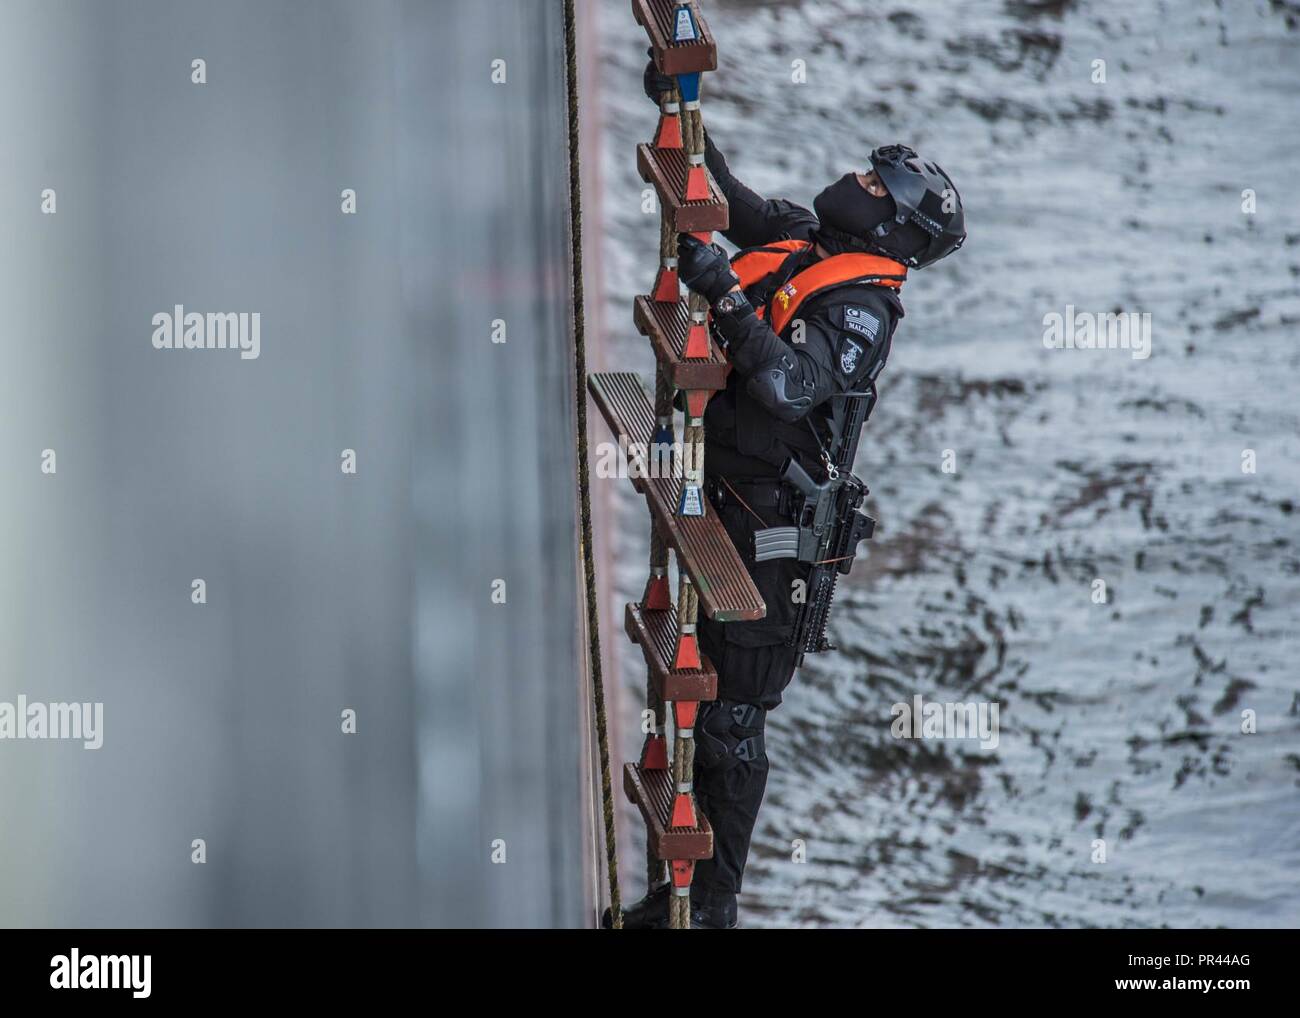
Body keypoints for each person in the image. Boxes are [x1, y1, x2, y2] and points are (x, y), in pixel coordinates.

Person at [620, 57, 967, 929]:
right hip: (729, 504)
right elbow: (723, 193)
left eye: (871, 182)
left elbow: (786, 386)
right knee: (689, 698)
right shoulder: (807, 236)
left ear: (893, 226)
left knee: (732, 725)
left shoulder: (862, 309)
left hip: (776, 551)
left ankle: (709, 911)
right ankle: (672, 898)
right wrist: (681, 109)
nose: (853, 180)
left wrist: (724, 297)